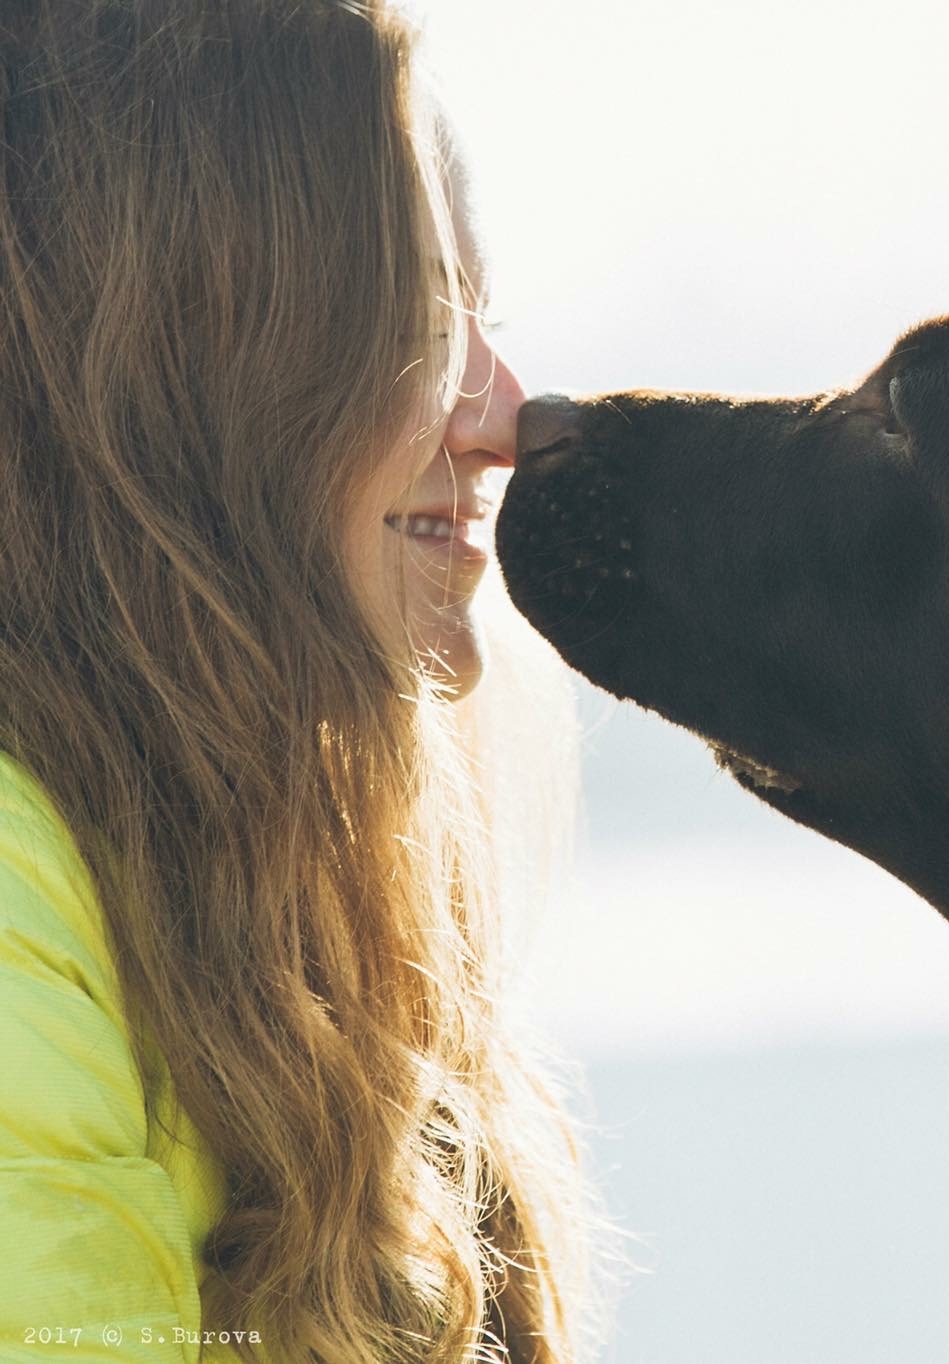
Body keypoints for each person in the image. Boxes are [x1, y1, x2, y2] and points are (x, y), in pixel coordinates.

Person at [0, 2, 603, 1360]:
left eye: (483, 319)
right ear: (196, 368)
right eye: (417, 318)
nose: (507, 412)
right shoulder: (14, 899)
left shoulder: (275, 886)